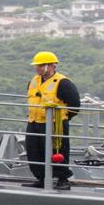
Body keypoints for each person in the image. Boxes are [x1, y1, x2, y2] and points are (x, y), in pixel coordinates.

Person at [25, 51, 81, 190]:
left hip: (55, 124)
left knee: (58, 152)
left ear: (51, 66)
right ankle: (41, 178)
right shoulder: (34, 81)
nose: (37, 68)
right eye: (36, 65)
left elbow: (74, 105)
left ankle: (63, 179)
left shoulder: (63, 82)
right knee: (34, 151)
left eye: (40, 65)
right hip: (34, 122)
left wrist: (62, 118)